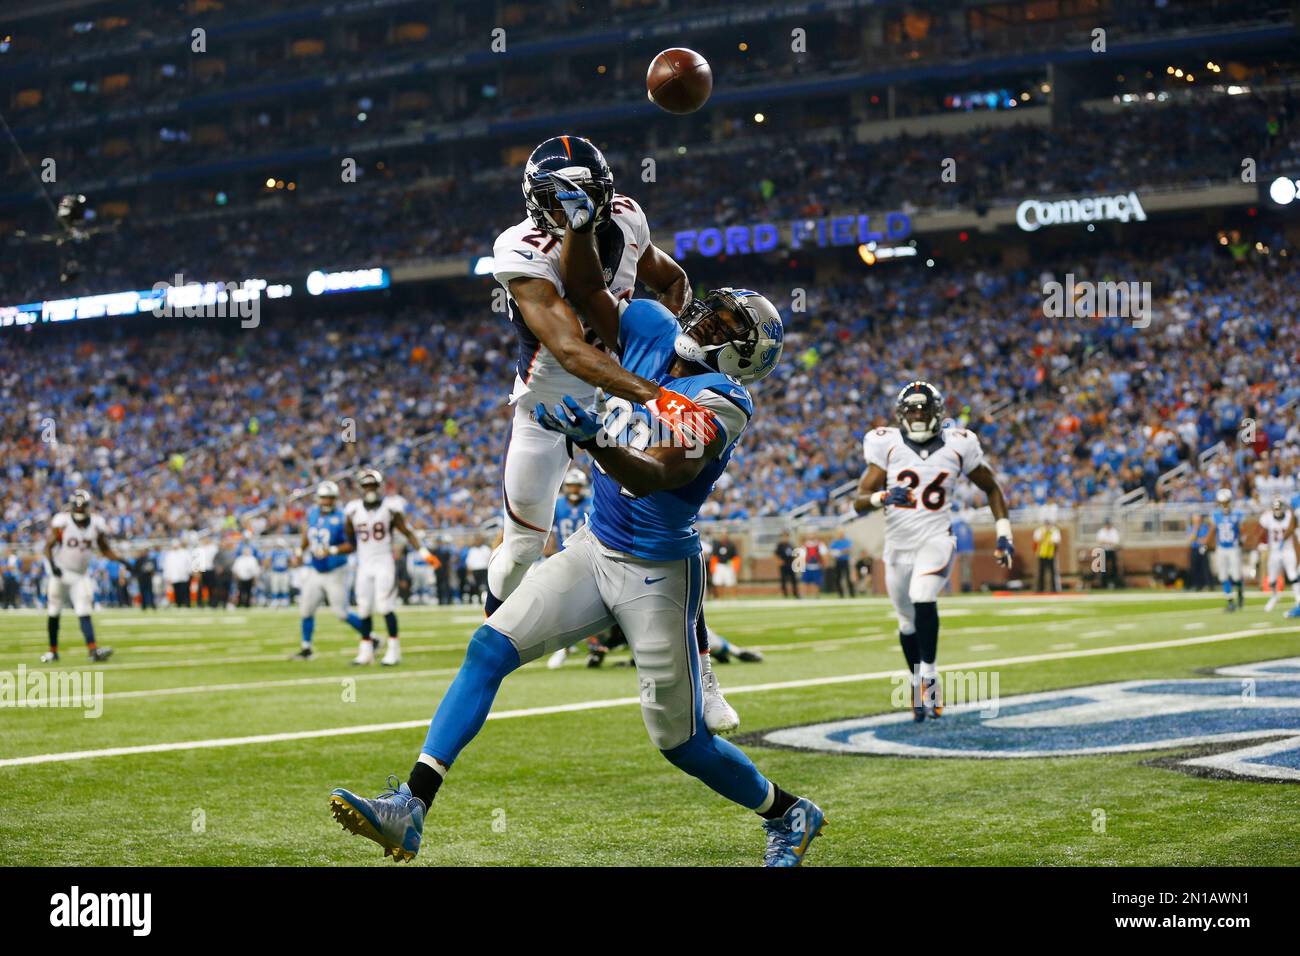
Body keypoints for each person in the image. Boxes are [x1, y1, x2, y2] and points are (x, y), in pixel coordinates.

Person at [329, 201, 823, 867]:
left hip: (658, 574)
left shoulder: (724, 402)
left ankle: (788, 811)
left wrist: (595, 443)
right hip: (594, 546)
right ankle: (410, 806)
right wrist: (582, 223)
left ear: (741, 354)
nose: (704, 317)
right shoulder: (649, 324)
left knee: (682, 743)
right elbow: (591, 289)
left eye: (725, 323)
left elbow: (654, 476)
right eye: (712, 308)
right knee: (487, 649)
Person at [483, 135, 689, 618]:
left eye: (578, 198)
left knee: (663, 519)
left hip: (616, 403)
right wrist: (656, 393)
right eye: (555, 197)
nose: (565, 210)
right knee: (522, 549)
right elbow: (572, 351)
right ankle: (491, 622)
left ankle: (687, 655)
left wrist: (670, 355)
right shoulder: (521, 248)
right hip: (550, 409)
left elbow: (674, 280)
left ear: (604, 192)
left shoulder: (626, 217)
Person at [852, 381, 1014, 721]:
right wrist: (884, 497)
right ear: (901, 415)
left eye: (924, 409)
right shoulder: (887, 444)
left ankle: (929, 675)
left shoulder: (959, 444)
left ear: (938, 414)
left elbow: (991, 487)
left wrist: (1004, 534)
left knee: (923, 594)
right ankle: (917, 683)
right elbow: (858, 502)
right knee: (906, 621)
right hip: (897, 546)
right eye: (912, 410)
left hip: (937, 539)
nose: (919, 415)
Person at [343, 469, 439, 666]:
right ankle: (366, 651)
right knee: (363, 609)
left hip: (384, 562)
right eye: (366, 486)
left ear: (379, 487)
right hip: (364, 564)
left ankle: (394, 651)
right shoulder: (352, 510)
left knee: (385, 606)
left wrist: (425, 554)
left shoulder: (390, 509)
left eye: (372, 486)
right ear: (361, 488)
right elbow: (350, 539)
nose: (369, 489)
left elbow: (407, 532)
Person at [40, 490, 121, 663]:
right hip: (61, 571)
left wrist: (122, 560)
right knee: (53, 611)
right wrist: (53, 566)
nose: (78, 510)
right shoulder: (62, 522)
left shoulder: (96, 524)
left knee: (84, 610)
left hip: (79, 575)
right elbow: (47, 547)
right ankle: (52, 651)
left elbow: (104, 549)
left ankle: (93, 651)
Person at [292, 481, 368, 661]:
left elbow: (352, 545)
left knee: (341, 613)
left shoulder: (343, 518)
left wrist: (331, 550)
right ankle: (306, 648)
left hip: (336, 570)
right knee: (306, 610)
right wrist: (299, 551)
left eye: (330, 498)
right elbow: (307, 534)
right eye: (324, 498)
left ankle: (370, 637)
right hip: (316, 570)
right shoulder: (312, 514)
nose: (326, 501)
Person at [1257, 496, 1299, 614]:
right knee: (1272, 578)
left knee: (1292, 574)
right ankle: (1274, 596)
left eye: (1279, 508)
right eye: (1276, 509)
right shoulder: (1268, 518)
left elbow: (1293, 530)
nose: (1278, 511)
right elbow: (1261, 531)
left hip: (1288, 549)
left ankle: (1298, 598)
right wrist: (1262, 543)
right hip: (1275, 551)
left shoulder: (1290, 517)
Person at [1210, 488, 1245, 611]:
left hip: (1233, 548)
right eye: (1222, 502)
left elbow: (1242, 530)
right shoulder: (1216, 514)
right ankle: (1230, 602)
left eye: (1226, 502)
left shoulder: (1237, 513)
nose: (1224, 504)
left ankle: (1240, 590)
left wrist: (1242, 540)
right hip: (1221, 548)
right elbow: (1214, 530)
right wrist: (1207, 543)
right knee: (1223, 576)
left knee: (1235, 576)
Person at [1032, 513, 1061, 593]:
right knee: (1041, 571)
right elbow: (1036, 540)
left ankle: (1054, 589)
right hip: (1042, 553)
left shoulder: (1055, 531)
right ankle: (1040, 589)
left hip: (1051, 554)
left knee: (1052, 571)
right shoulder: (1039, 530)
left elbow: (1056, 541)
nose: (1047, 525)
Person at [1188, 513, 1211, 590]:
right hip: (1194, 548)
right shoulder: (1191, 528)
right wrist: (1195, 530)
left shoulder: (1204, 527)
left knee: (1205, 566)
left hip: (1203, 547)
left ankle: (1209, 585)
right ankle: (1198, 585)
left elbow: (1205, 540)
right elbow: (1191, 539)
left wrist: (1199, 540)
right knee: (1195, 567)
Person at [829, 532, 854, 597]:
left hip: (845, 561)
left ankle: (852, 594)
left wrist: (839, 552)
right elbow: (831, 551)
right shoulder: (835, 542)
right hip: (838, 561)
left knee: (848, 578)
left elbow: (848, 550)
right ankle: (840, 594)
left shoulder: (847, 541)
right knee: (838, 578)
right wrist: (839, 552)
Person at [774, 532, 798, 598]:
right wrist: (779, 562)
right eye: (784, 537)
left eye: (786, 536)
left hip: (790, 564)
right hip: (783, 565)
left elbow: (795, 553)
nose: (785, 538)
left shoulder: (790, 545)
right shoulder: (780, 545)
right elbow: (776, 554)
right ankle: (785, 594)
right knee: (783, 580)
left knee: (793, 580)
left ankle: (795, 593)